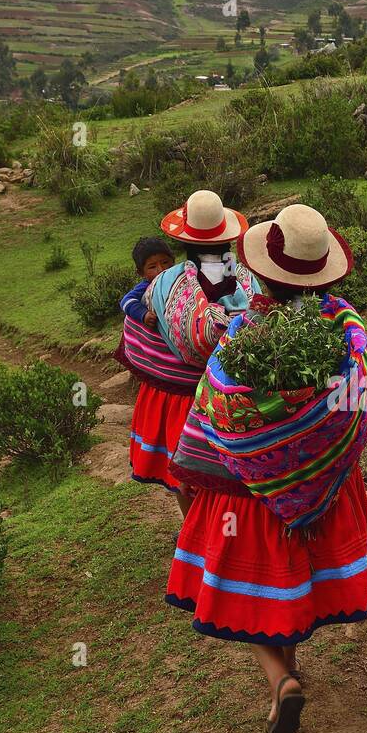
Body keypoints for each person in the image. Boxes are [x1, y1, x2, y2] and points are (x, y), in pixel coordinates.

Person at [166, 203, 367, 733]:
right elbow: (363, 406)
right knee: (290, 578)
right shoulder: (346, 329)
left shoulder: (242, 330)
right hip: (319, 489)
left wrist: (192, 470)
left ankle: (280, 678)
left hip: (245, 492)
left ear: (261, 271)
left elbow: (213, 405)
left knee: (249, 591)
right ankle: (289, 670)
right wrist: (309, 457)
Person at [116, 190, 260, 519]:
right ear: (228, 237)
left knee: (184, 478)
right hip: (234, 399)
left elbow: (138, 332)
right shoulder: (247, 279)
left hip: (180, 402)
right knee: (234, 484)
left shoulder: (164, 282)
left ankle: (193, 533)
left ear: (184, 241)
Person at [121, 238, 175, 329]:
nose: (161, 269)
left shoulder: (180, 277)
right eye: (152, 267)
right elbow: (126, 301)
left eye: (165, 262)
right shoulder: (145, 287)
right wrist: (143, 314)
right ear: (141, 273)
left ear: (173, 261)